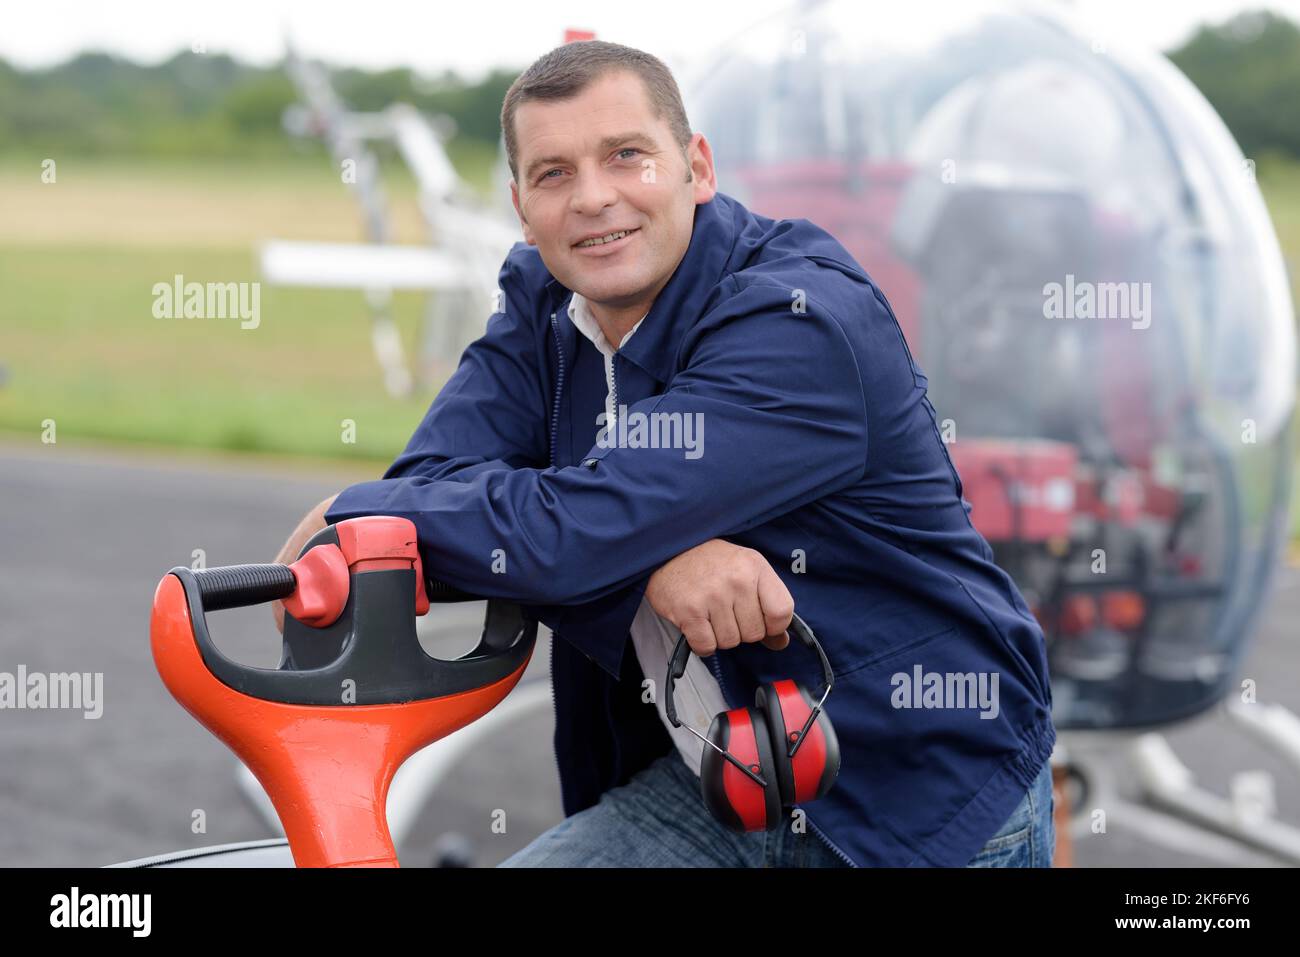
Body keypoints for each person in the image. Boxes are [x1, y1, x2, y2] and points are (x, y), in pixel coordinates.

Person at [273, 40, 1056, 867]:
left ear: (697, 168)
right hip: (718, 781)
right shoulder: (543, 300)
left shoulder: (802, 321)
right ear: (521, 206)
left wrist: (358, 511)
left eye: (626, 157)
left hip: (917, 801)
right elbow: (436, 484)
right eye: (553, 174)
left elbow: (556, 537)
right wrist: (653, 560)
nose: (593, 198)